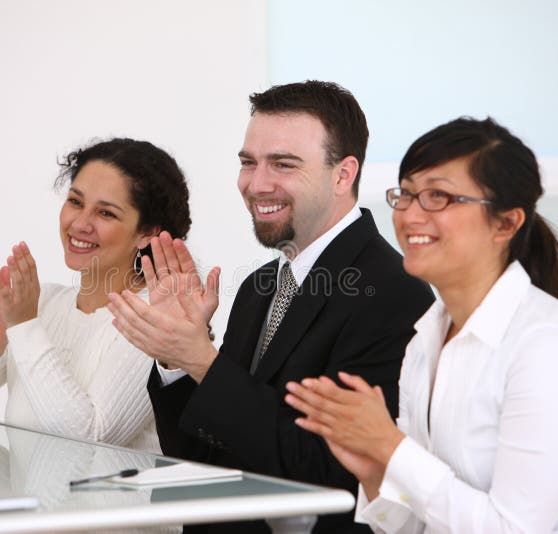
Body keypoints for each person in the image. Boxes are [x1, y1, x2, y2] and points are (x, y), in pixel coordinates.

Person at [107, 81, 434, 532]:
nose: (256, 184)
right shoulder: (259, 287)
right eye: (248, 162)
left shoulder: (395, 292)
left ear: (343, 175)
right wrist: (177, 361)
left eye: (283, 164)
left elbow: (332, 477)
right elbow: (199, 459)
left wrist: (203, 362)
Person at [285, 117, 558, 533]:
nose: (410, 215)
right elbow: (416, 526)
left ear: (506, 223)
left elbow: (512, 529)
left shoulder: (550, 346)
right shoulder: (427, 336)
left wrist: (391, 447)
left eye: (438, 197)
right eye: (406, 194)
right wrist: (375, 471)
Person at [0, 138, 192, 453]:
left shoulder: (154, 319)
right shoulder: (41, 305)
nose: (80, 223)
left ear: (147, 232)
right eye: (75, 201)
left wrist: (25, 327)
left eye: (106, 213)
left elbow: (91, 439)